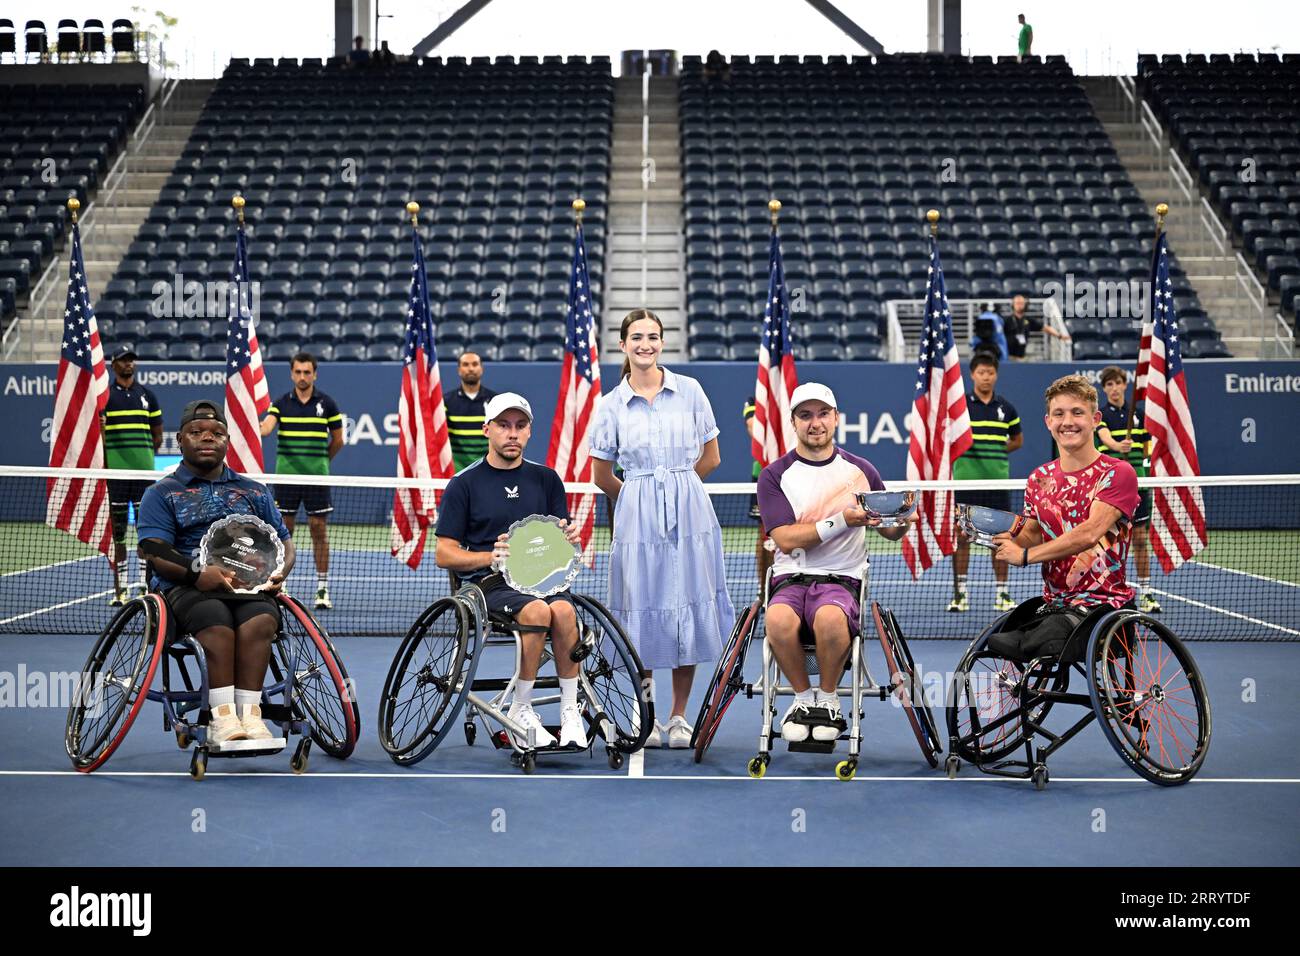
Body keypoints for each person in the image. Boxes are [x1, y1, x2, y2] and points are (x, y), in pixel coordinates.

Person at [590, 309, 733, 749]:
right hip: (634, 514)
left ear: (662, 342)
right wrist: (637, 498)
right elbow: (601, 475)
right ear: (623, 344)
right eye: (637, 337)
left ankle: (678, 716)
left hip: (690, 513)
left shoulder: (690, 391)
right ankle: (647, 714)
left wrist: (680, 489)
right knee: (643, 609)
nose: (645, 344)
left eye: (653, 336)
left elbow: (711, 457)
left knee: (684, 604)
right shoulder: (609, 404)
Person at [135, 400, 295, 749]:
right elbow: (154, 549)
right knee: (215, 617)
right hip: (186, 587)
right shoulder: (161, 493)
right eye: (197, 432)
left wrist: (277, 572)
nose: (207, 438)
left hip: (249, 589)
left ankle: (251, 717)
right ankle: (222, 719)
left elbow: (284, 542)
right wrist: (197, 574)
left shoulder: (254, 491)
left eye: (216, 433)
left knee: (261, 621)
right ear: (180, 439)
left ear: (226, 441)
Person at [757, 383, 910, 743]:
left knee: (829, 617)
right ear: (793, 422)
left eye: (823, 414)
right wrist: (843, 519)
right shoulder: (774, 475)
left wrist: (899, 522)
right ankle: (801, 698)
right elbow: (784, 538)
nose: (816, 423)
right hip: (790, 578)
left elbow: (888, 531)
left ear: (836, 418)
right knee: (776, 619)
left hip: (842, 580)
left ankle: (828, 700)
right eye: (806, 415)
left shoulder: (861, 471)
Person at [434, 393, 586, 749]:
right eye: (503, 425)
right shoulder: (464, 484)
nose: (512, 433)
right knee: (537, 611)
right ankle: (520, 707)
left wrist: (569, 538)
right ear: (487, 429)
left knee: (563, 611)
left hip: (541, 579)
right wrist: (489, 557)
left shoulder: (547, 480)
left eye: (520, 426)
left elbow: (556, 540)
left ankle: (569, 710)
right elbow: (444, 553)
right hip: (489, 583)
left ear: (530, 432)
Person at [987, 374, 1141, 660]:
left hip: (1102, 608)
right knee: (997, 639)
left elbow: (1089, 533)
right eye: (1059, 414)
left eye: (1077, 413)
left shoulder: (1117, 473)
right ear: (1048, 422)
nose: (1067, 422)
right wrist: (993, 532)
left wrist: (1024, 556)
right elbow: (1032, 532)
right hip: (1053, 604)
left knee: (1032, 643)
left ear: (1095, 419)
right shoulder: (1039, 478)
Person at [260, 351, 343, 610]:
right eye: (298, 372)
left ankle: (322, 588)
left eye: (307, 372)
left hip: (316, 478)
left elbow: (338, 440)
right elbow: (265, 429)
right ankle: (281, 582)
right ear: (292, 374)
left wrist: (321, 462)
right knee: (285, 530)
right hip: (286, 477)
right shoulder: (281, 403)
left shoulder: (327, 404)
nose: (303, 376)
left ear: (314, 374)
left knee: (319, 529)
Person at [950, 351, 1023, 613]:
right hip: (965, 484)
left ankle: (1002, 594)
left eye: (990, 372)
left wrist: (995, 452)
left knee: (1000, 538)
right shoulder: (961, 408)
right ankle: (960, 594)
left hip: (997, 484)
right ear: (972, 375)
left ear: (996, 375)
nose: (986, 377)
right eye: (981, 372)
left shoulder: (1006, 408)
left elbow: (1017, 440)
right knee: (962, 538)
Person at [1095, 366, 1160, 612]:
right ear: (1104, 389)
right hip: (1112, 487)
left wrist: (1145, 467)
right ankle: (1110, 590)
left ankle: (1146, 592)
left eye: (1117, 384)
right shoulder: (1101, 414)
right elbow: (1105, 438)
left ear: (1125, 385)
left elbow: (1147, 447)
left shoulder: (1139, 415)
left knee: (1141, 541)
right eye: (1109, 385)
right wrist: (1117, 446)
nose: (1113, 389)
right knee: (1110, 541)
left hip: (1139, 486)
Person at [100, 345, 163, 605]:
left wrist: (144, 456)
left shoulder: (147, 395)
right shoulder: (104, 398)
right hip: (116, 475)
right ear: (113, 365)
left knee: (144, 531)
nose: (129, 364)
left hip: (143, 474)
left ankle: (141, 584)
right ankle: (120, 590)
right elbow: (99, 438)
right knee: (118, 533)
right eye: (123, 360)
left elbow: (157, 434)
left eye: (131, 360)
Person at [445, 350, 498, 472]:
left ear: (481, 368)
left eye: (475, 364)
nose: (470, 369)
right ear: (459, 370)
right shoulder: (446, 402)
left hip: (488, 470)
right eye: (465, 364)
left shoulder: (495, 401)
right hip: (456, 472)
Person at [744, 395, 775, 597]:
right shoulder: (755, 399)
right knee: (764, 533)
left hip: (791, 473)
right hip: (763, 472)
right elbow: (753, 428)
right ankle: (764, 590)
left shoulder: (787, 396)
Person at [1006, 294, 1071, 359]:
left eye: (1021, 303)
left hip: (1021, 355)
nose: (1019, 305)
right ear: (1013, 305)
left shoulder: (1028, 320)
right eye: (1017, 303)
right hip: (1008, 356)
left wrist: (1059, 335)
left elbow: (1045, 328)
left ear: (1025, 305)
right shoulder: (1007, 320)